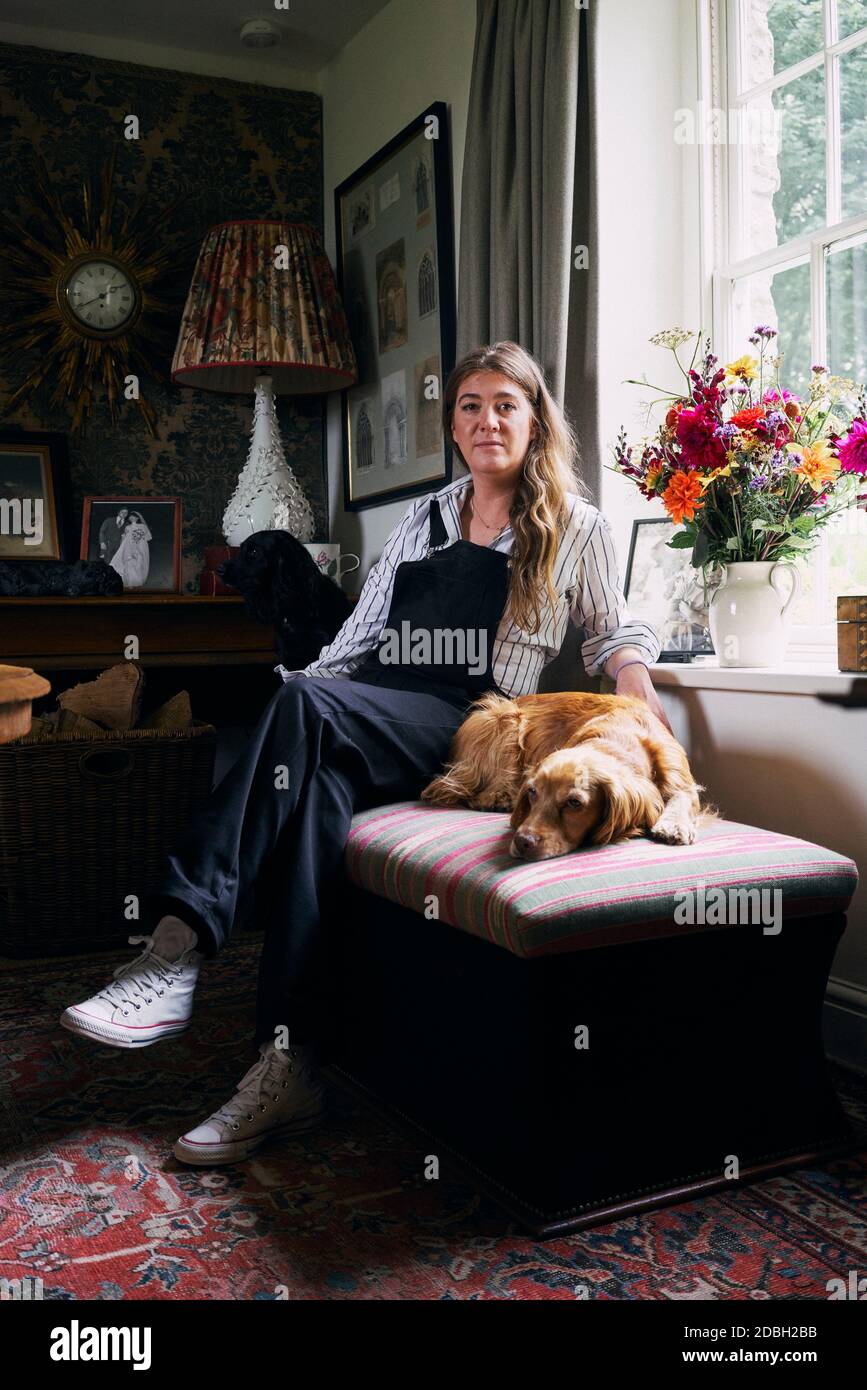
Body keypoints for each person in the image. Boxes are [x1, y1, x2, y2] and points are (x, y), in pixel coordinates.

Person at [60, 341, 663, 1167]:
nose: (486, 420)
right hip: (374, 704)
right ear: (452, 424)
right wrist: (302, 698)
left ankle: (175, 946)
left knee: (306, 708)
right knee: (316, 790)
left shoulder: (574, 525)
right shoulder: (423, 518)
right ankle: (288, 1064)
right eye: (469, 405)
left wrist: (638, 689)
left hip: (470, 719)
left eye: (504, 405)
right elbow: (356, 642)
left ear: (534, 420)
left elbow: (610, 630)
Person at [108, 510, 152, 588]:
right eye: (130, 517)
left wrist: (139, 539)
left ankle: (136, 581)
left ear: (137, 518)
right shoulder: (127, 527)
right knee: (129, 562)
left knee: (138, 563)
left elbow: (148, 537)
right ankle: (129, 583)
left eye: (134, 516)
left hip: (140, 547)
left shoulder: (143, 526)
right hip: (129, 547)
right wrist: (121, 549)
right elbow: (125, 539)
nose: (132, 518)